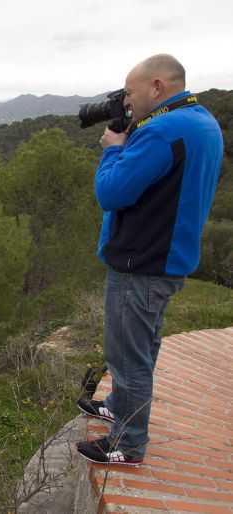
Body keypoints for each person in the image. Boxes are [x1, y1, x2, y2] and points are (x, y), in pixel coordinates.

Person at [76, 54, 223, 466]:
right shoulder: (202, 122)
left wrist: (113, 149)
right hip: (169, 257)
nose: (126, 101)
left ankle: (127, 443)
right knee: (141, 347)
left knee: (128, 358)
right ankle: (119, 407)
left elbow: (111, 193)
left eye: (130, 92)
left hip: (140, 263)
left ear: (156, 87)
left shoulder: (161, 131)